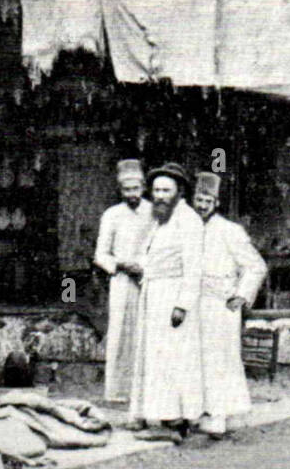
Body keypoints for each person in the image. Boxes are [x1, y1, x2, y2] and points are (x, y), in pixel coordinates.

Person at [129, 163, 204, 441]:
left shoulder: (188, 219)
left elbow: (194, 266)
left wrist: (182, 305)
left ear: (179, 191)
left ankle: (174, 419)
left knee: (172, 359)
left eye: (166, 190)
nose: (159, 196)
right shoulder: (161, 220)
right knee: (157, 358)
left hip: (173, 298)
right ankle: (163, 417)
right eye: (156, 190)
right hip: (154, 295)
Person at [193, 172, 268, 439]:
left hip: (220, 305)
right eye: (198, 199)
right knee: (197, 359)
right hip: (194, 304)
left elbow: (255, 266)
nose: (202, 205)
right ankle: (201, 411)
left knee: (220, 360)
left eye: (207, 200)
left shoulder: (229, 230)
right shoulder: (187, 228)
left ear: (216, 203)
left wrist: (241, 295)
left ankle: (220, 415)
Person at [94, 158, 153, 404]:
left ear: (143, 188)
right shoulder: (112, 215)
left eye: (136, 189)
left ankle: (146, 392)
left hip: (148, 279)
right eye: (127, 190)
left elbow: (160, 247)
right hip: (120, 280)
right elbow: (100, 254)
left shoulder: (154, 212)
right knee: (119, 332)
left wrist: (144, 266)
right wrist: (118, 264)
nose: (132, 194)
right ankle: (118, 392)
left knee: (146, 332)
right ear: (120, 191)